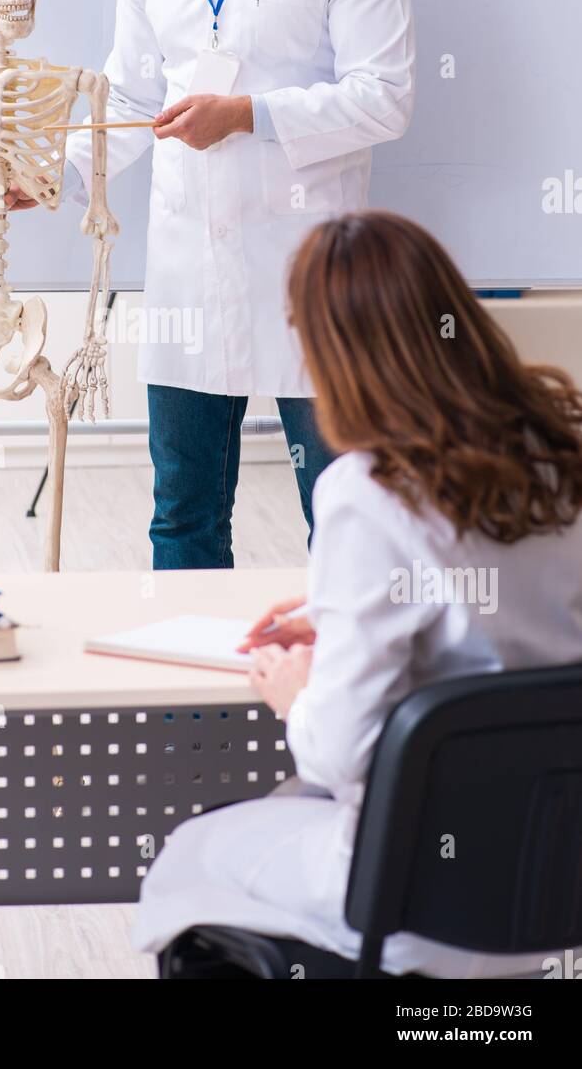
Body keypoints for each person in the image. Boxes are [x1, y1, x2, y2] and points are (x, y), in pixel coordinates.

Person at [0, 0, 415, 566]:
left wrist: (247, 114)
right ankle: (193, 690)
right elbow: (135, 93)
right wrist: (58, 175)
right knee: (181, 516)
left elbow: (385, 96)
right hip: (190, 265)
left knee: (344, 515)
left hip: (312, 262)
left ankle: (342, 689)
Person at [132, 211, 582, 977]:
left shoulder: (365, 492)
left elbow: (339, 753)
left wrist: (294, 693)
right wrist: (334, 615)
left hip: (418, 894)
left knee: (188, 856)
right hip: (554, 877)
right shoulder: (560, 452)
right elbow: (506, 618)